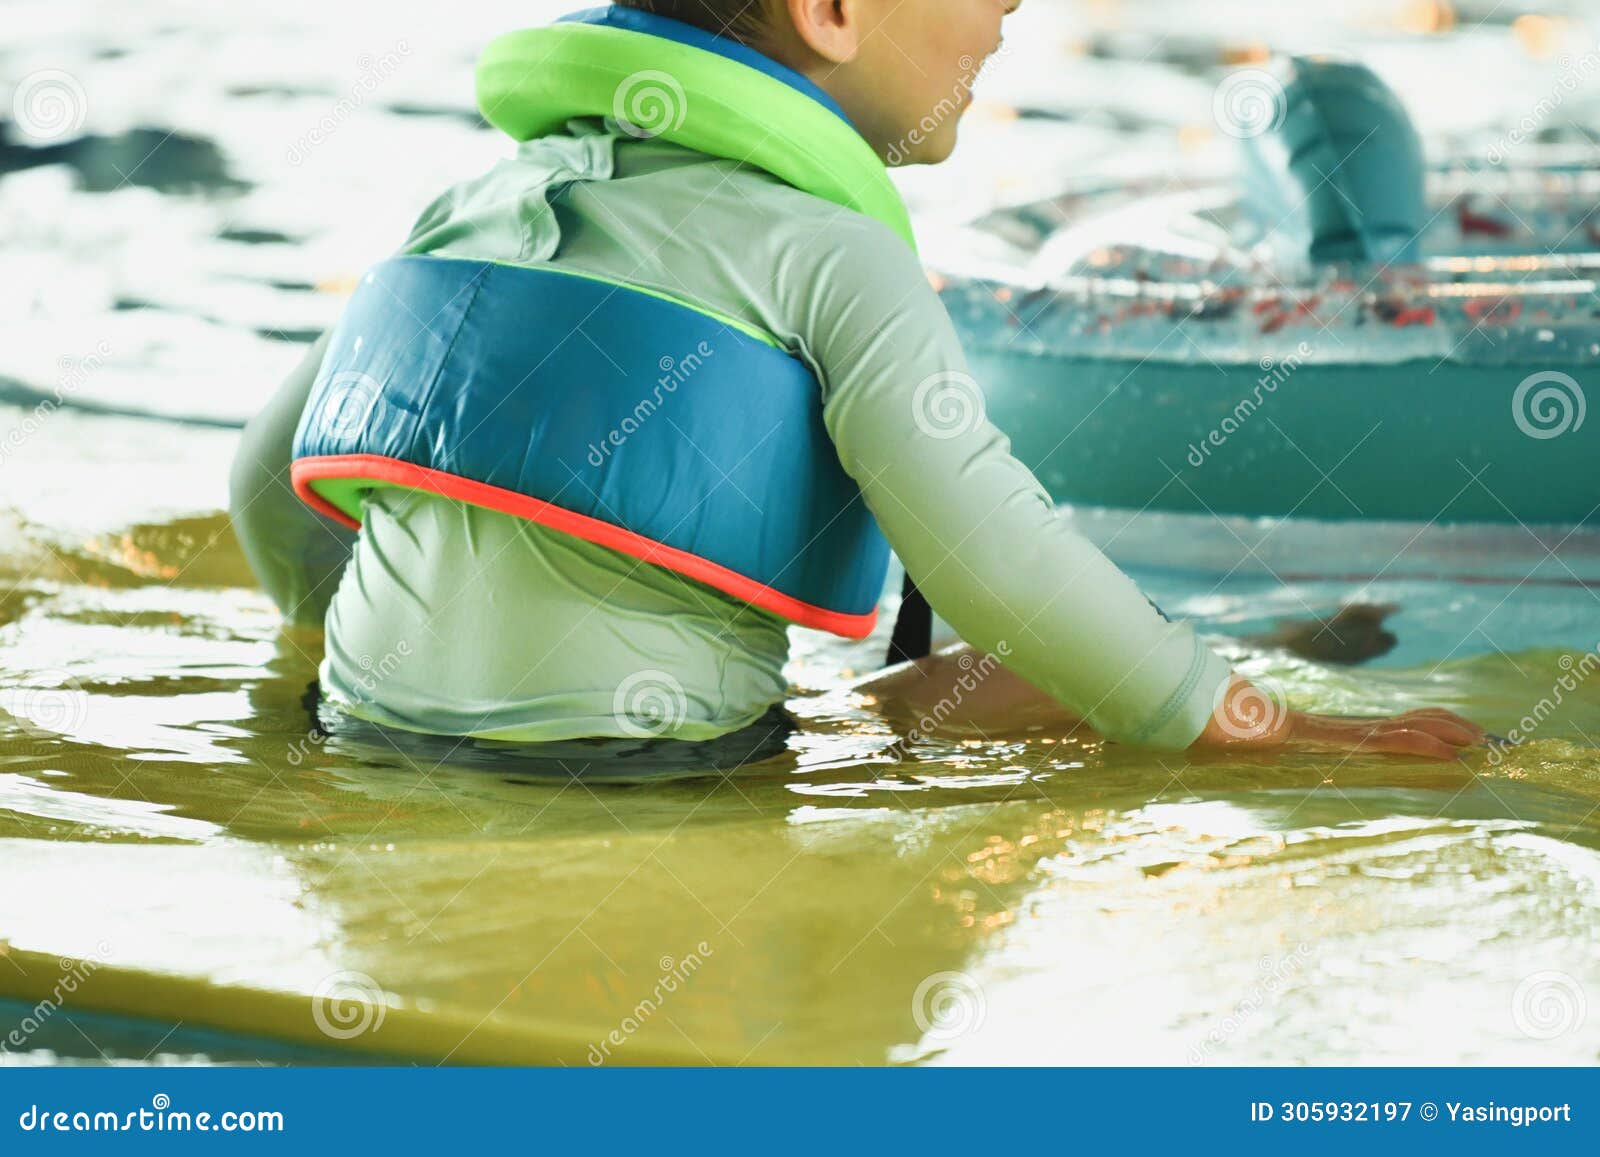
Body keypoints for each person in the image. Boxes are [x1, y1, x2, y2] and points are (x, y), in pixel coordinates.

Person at [230, 0, 1484, 765]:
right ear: (828, 9)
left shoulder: (471, 203)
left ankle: (1251, 649)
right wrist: (1244, 726)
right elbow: (998, 557)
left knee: (924, 690)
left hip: (374, 734)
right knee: (988, 685)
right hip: (655, 771)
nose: (1010, 10)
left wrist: (353, 645)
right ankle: (1267, 663)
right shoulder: (830, 254)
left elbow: (270, 484)